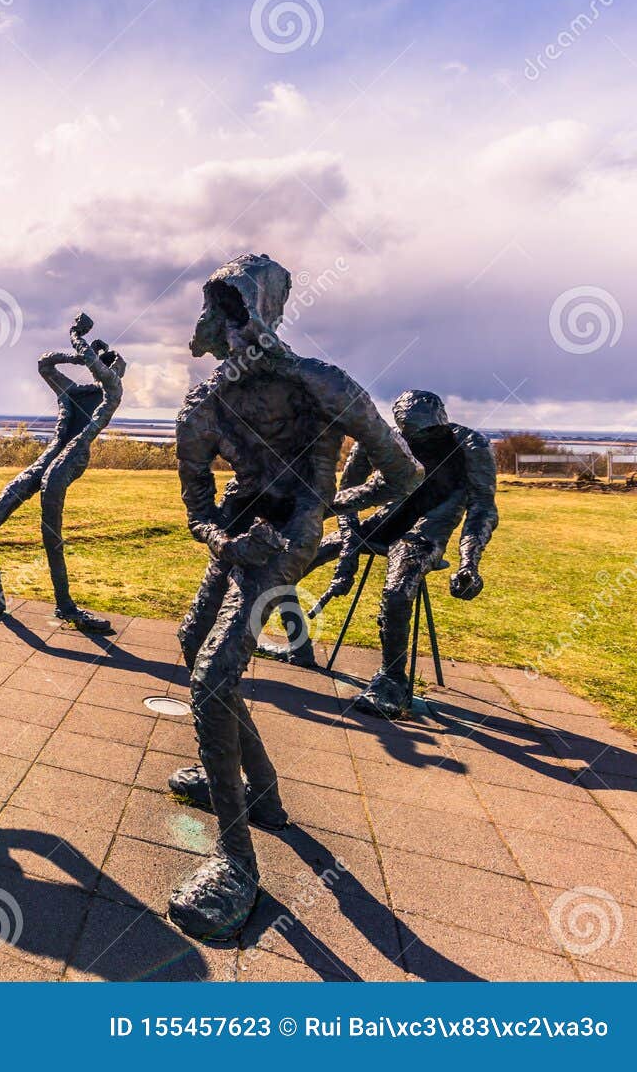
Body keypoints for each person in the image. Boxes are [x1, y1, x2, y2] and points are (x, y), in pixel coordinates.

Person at [168, 253, 418, 939]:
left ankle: (237, 863)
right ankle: (267, 794)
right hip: (244, 534)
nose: (225, 323)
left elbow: (403, 473)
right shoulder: (204, 404)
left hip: (288, 540)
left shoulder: (319, 383)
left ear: (265, 311)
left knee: (213, 680)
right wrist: (221, 540)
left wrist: (329, 509)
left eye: (237, 306)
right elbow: (194, 502)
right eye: (218, 309)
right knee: (193, 642)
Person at [262, 389, 497, 717]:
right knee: (290, 561)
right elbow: (346, 495)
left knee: (398, 592)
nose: (418, 442)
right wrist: (349, 542)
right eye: (411, 435)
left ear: (442, 421)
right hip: (379, 525)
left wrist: (469, 562)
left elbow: (483, 506)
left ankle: (392, 681)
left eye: (427, 434)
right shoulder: (383, 440)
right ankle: (298, 645)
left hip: (425, 533)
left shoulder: (470, 445)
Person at [0, 313, 127, 632]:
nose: (102, 365)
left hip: (72, 458)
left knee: (49, 532)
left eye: (108, 362)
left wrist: (75, 334)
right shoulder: (71, 391)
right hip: (50, 455)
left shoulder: (112, 389)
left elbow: (94, 366)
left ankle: (66, 606)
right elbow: (45, 364)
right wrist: (77, 355)